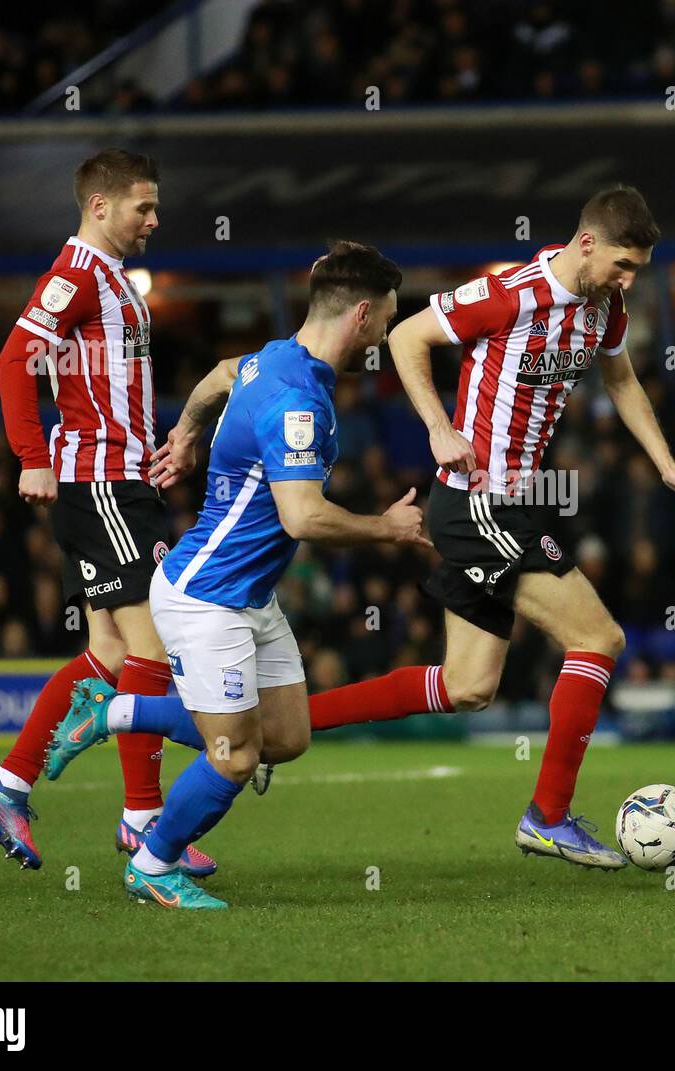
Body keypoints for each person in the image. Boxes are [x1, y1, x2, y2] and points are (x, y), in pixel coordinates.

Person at [303, 185, 675, 868]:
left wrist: (667, 462)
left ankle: (287, 723)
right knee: (599, 636)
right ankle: (547, 816)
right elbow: (408, 336)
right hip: (477, 503)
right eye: (622, 264)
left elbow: (620, 381)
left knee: (467, 685)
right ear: (586, 243)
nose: (629, 280)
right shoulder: (511, 293)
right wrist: (438, 427)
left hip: (509, 504)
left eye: (638, 269)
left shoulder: (604, 307)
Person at [46, 241, 426, 909]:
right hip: (206, 598)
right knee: (236, 754)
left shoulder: (275, 357)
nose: (388, 332)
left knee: (286, 736)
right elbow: (304, 517)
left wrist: (188, 432)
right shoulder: (297, 400)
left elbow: (222, 373)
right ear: (362, 314)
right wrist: (385, 528)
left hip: (246, 596)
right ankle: (153, 863)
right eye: (389, 319)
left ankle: (113, 711)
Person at [0, 149, 214, 876]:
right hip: (99, 481)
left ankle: (9, 780)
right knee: (154, 649)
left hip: (123, 477)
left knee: (110, 656)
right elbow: (15, 361)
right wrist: (30, 453)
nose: (154, 219)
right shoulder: (77, 272)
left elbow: (109, 387)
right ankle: (143, 820)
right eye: (143, 206)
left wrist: (165, 444)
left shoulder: (113, 281)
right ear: (99, 206)